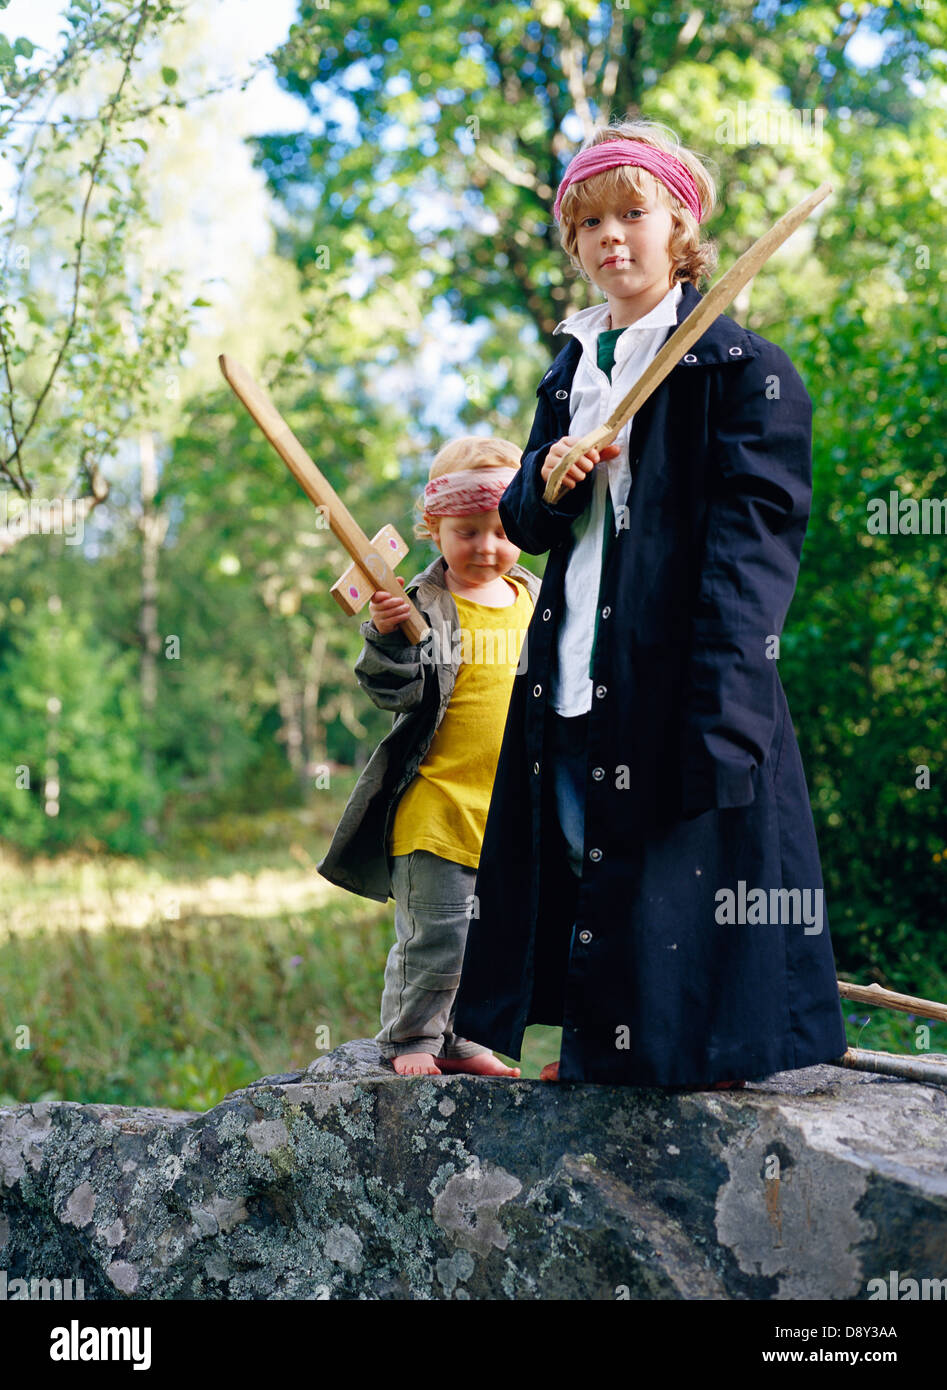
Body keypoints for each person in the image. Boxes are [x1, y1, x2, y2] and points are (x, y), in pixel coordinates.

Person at [452, 118, 849, 1088]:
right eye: (587, 224)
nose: (609, 239)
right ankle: (599, 1051)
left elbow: (749, 561)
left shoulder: (739, 372)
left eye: (633, 213)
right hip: (576, 674)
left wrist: (723, 709)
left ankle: (694, 1059)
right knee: (592, 854)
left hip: (679, 673)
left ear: (681, 227)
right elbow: (527, 528)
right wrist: (544, 479)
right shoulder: (571, 373)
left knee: (682, 872)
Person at [317, 437, 541, 1076]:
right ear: (432, 528)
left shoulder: (532, 596)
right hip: (437, 803)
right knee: (437, 934)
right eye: (466, 532)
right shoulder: (421, 604)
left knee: (490, 935)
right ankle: (410, 1038)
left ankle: (465, 1036)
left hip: (505, 810)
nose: (487, 547)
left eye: (501, 530)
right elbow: (397, 689)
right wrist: (388, 635)